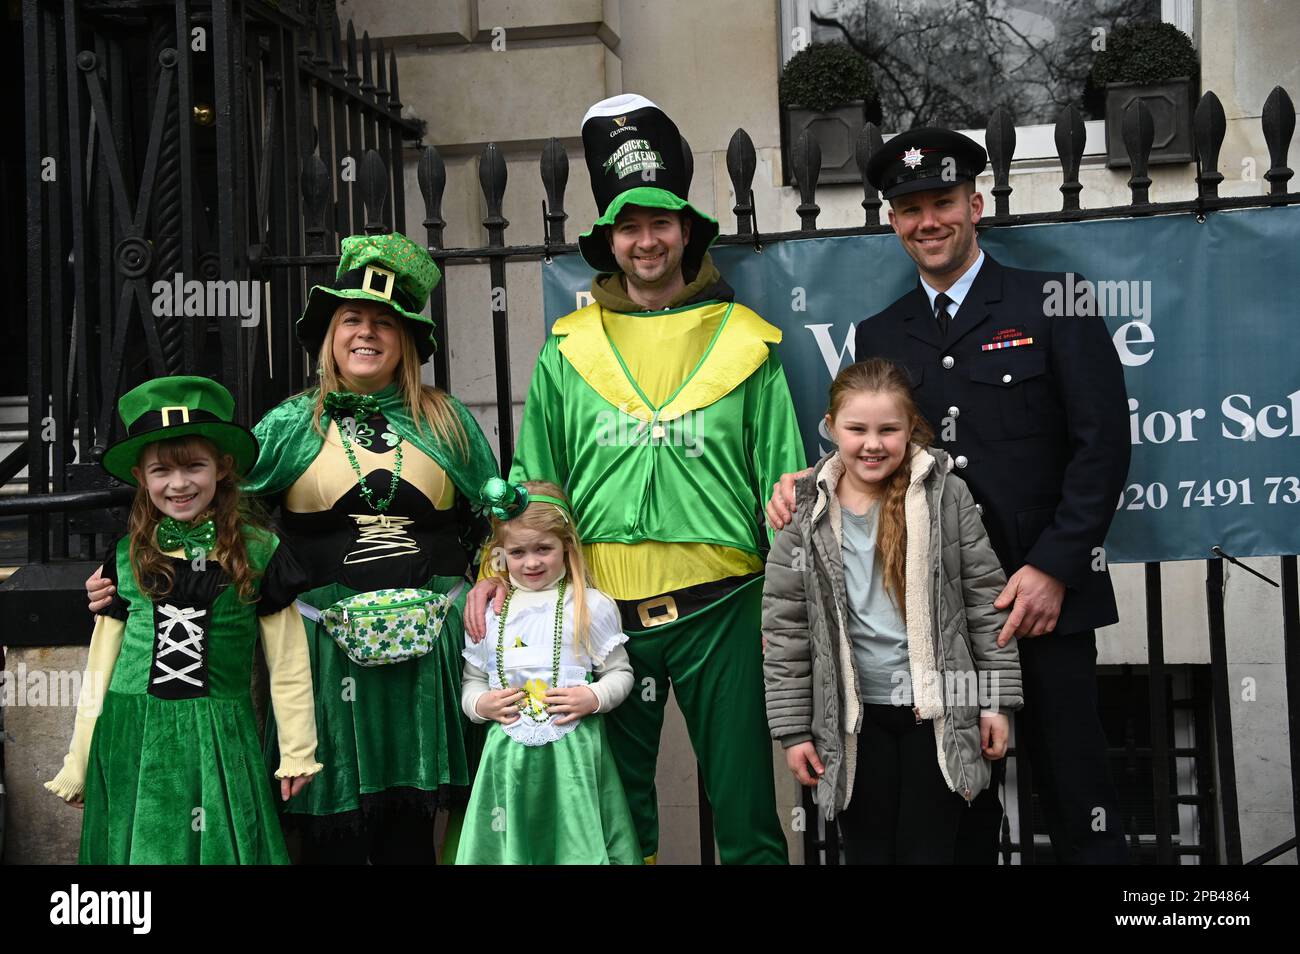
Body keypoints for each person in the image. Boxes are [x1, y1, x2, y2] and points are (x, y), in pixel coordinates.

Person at [88, 233, 521, 864]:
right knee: (330, 823)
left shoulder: (447, 421)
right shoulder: (291, 424)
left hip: (431, 649)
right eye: (352, 319)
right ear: (329, 333)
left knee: (414, 824)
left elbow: (495, 518)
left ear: (406, 340)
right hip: (323, 650)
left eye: (384, 322)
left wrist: (494, 574)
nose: (365, 334)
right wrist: (118, 577)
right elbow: (212, 513)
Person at [767, 128, 1131, 864]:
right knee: (955, 808)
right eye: (909, 209)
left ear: (976, 204)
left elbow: (1103, 445)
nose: (927, 221)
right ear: (893, 221)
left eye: (941, 202)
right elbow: (876, 451)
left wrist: (1056, 565)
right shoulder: (879, 332)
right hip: (929, 614)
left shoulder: (1051, 301)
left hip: (1040, 597)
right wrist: (805, 480)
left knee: (1075, 792)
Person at [465, 94, 805, 864]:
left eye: (659, 223)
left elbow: (784, 488)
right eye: (628, 226)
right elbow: (537, 483)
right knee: (613, 814)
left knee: (746, 805)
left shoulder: (748, 344)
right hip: (602, 607)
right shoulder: (567, 347)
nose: (645, 241)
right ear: (608, 242)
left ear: (686, 231)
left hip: (725, 605)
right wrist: (496, 567)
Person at [48, 376, 320, 863]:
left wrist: (298, 749)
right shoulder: (127, 557)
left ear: (223, 467)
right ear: (140, 477)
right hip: (130, 731)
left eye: (195, 466)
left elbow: (289, 661)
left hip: (218, 734)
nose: (179, 484)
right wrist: (79, 757)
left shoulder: (261, 551)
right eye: (161, 471)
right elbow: (101, 664)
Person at [763, 359, 1021, 864]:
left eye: (889, 429)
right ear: (831, 426)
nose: (872, 444)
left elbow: (986, 606)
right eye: (856, 429)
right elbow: (785, 628)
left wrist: (995, 702)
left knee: (932, 852)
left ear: (910, 430)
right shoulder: (803, 509)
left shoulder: (946, 496)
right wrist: (794, 731)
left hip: (939, 715)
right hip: (853, 725)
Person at [457, 481, 639, 864]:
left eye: (544, 549)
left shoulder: (590, 605)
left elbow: (620, 672)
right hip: (507, 761)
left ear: (567, 547)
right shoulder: (490, 612)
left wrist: (594, 696)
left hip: (574, 758)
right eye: (518, 552)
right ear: (501, 554)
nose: (532, 562)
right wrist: (480, 705)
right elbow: (472, 680)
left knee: (573, 844)